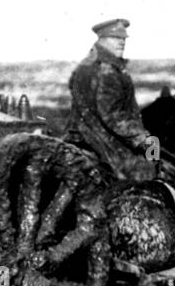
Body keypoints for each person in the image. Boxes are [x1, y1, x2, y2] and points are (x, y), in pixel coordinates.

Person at [66, 18, 154, 180]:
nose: (122, 43)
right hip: (102, 142)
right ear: (101, 39)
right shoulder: (107, 70)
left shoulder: (86, 64)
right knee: (147, 171)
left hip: (81, 137)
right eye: (115, 38)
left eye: (123, 39)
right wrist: (141, 137)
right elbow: (113, 115)